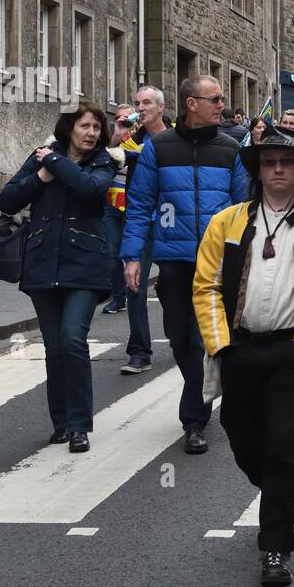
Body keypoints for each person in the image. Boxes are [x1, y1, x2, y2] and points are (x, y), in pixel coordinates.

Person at [193, 126, 294, 587]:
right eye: (269, 163)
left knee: (284, 450)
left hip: (292, 352)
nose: (278, 169)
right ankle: (277, 494)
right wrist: (221, 343)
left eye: (287, 162)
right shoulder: (226, 222)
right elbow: (204, 286)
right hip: (239, 348)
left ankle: (275, 548)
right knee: (243, 440)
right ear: (259, 171)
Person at [121, 76, 248, 454]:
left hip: (216, 264)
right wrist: (131, 256)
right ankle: (204, 390)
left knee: (201, 340)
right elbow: (140, 204)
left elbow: (243, 210)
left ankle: (194, 419)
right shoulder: (157, 149)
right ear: (191, 103)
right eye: (215, 99)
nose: (221, 105)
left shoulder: (231, 149)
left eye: (221, 99)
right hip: (173, 260)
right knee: (178, 338)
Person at [0, 102, 114, 453]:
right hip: (43, 264)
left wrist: (52, 162)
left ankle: (80, 426)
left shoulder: (103, 162)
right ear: (69, 129)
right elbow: (7, 200)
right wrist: (40, 177)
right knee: (54, 349)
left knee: (72, 340)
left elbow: (89, 189)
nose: (91, 133)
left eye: (96, 127)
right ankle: (61, 424)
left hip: (85, 267)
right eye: (85, 126)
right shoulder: (42, 161)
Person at [118, 85, 171, 373]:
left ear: (160, 107)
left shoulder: (177, 138)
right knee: (134, 285)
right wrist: (115, 137)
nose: (141, 107)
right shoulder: (128, 141)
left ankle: (178, 336)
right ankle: (139, 352)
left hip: (172, 220)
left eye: (147, 102)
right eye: (137, 102)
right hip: (140, 219)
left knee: (172, 286)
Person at [101, 103, 136, 314]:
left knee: (133, 253)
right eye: (120, 118)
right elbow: (101, 160)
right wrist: (115, 138)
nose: (124, 121)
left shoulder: (140, 139)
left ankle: (135, 295)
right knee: (112, 252)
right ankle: (118, 297)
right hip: (112, 203)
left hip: (134, 203)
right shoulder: (110, 141)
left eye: (128, 118)